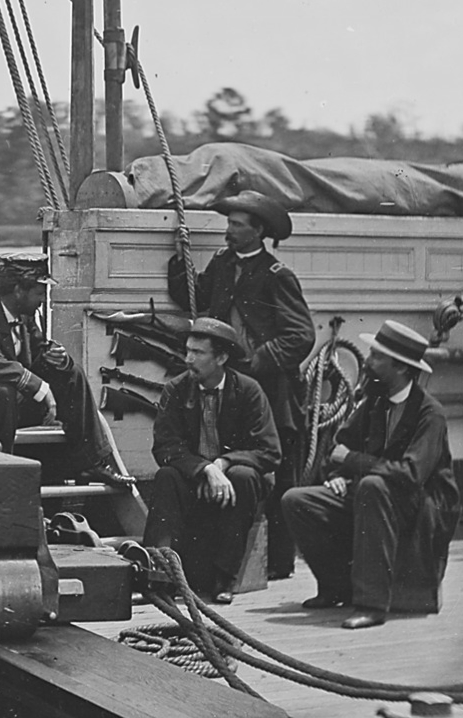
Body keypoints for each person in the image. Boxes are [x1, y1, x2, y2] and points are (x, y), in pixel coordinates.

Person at [168, 189, 315, 581]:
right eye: (228, 223)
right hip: (231, 387)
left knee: (280, 474)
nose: (228, 231)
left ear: (258, 230)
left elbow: (301, 336)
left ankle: (280, 564)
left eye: (237, 225)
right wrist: (178, 255)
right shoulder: (222, 263)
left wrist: (256, 361)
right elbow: (192, 295)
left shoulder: (276, 276)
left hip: (273, 392)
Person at [281, 320, 459, 629]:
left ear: (401, 368)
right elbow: (339, 450)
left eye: (377, 357)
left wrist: (352, 462)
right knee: (297, 500)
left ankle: (372, 605)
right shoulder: (374, 403)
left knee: (374, 486)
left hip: (421, 505)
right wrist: (336, 473)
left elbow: (411, 473)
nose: (368, 362)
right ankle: (335, 587)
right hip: (374, 493)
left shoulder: (430, 414)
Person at [0, 252, 131, 487]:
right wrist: (39, 387)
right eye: (39, 293)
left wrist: (58, 360)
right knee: (0, 392)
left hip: (7, 406)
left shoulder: (25, 317)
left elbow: (37, 357)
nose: (43, 299)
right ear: (18, 290)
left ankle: (91, 463)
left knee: (72, 374)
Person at [144, 318, 281, 603]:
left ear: (221, 357)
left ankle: (224, 578)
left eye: (198, 353)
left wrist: (224, 464)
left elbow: (269, 451)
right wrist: (203, 468)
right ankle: (161, 570)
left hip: (235, 479)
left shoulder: (248, 390)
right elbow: (165, 446)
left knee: (244, 477)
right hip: (195, 477)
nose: (188, 359)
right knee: (167, 476)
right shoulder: (176, 390)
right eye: (187, 351)